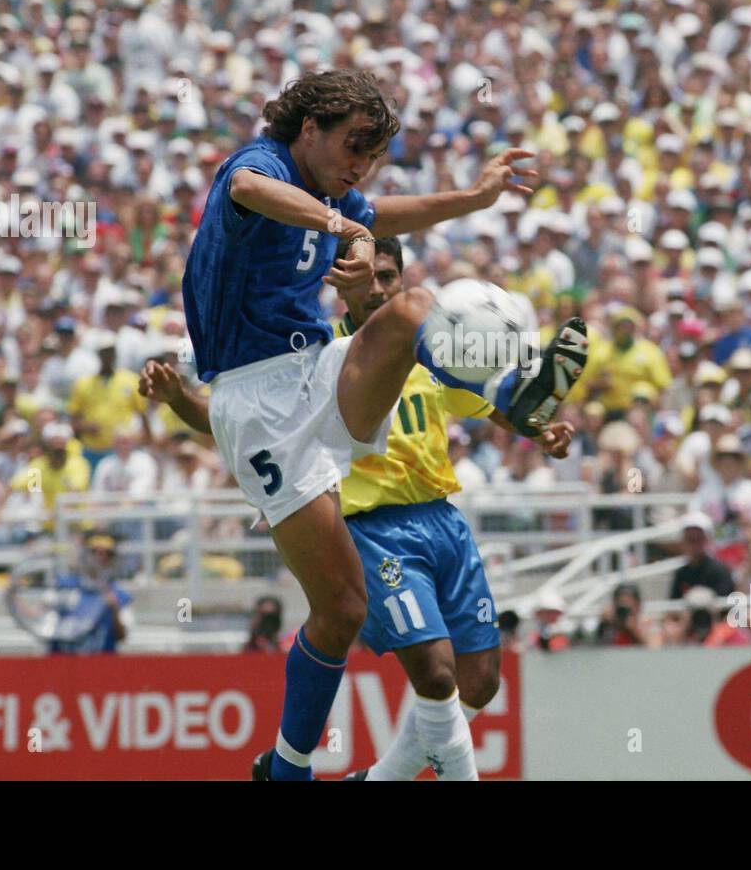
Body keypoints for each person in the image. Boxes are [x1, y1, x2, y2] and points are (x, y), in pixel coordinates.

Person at [180, 69, 588, 781]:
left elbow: (384, 212)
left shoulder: (338, 190)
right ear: (309, 128)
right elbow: (248, 192)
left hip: (314, 374)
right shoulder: (264, 165)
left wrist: (471, 198)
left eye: (372, 151)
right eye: (353, 144)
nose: (361, 162)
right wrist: (345, 226)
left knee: (411, 306)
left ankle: (514, 391)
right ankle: (289, 767)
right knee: (339, 610)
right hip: (256, 401)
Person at [48, 534, 133, 655]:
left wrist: (115, 610)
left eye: (106, 554)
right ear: (86, 555)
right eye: (95, 552)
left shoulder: (119, 594)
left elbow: (122, 637)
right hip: (63, 663)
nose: (100, 558)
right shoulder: (64, 585)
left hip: (99, 666)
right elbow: (40, 619)